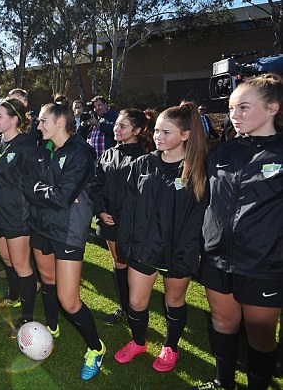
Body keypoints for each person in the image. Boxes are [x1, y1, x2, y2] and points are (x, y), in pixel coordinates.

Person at [195, 74, 283, 390]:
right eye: (232, 108)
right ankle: (223, 382)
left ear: (273, 107)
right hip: (218, 259)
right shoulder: (221, 153)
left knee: (260, 335)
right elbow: (207, 202)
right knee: (223, 324)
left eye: (244, 107)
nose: (235, 115)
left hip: (265, 264)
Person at [115, 102, 208, 373]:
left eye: (166, 132)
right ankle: (139, 341)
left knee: (174, 301)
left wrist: (186, 253)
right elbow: (128, 210)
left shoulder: (196, 170)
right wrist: (126, 245)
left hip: (176, 252)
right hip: (142, 249)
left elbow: (197, 218)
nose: (158, 137)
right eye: (156, 131)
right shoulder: (142, 164)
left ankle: (171, 346)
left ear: (186, 135)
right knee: (135, 302)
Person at [24, 99, 105, 380]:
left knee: (69, 300)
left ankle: (96, 348)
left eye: (43, 121)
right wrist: (43, 190)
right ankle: (52, 327)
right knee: (47, 280)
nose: (38, 125)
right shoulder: (44, 149)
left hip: (69, 230)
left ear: (61, 122)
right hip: (41, 226)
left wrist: (40, 190)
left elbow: (61, 198)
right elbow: (29, 184)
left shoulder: (82, 152)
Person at [94, 108, 156, 325]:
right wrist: (101, 210)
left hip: (136, 224)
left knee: (135, 266)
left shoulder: (148, 157)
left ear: (138, 130)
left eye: (122, 126)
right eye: (116, 125)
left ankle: (137, 308)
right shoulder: (108, 154)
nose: (116, 129)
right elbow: (97, 185)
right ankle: (124, 308)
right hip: (111, 222)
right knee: (119, 263)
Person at [0, 97, 41, 335]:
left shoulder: (27, 146)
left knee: (21, 266)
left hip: (18, 216)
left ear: (15, 120)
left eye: (0, 116)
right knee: (7, 261)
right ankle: (14, 294)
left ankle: (27, 317)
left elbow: (34, 182)